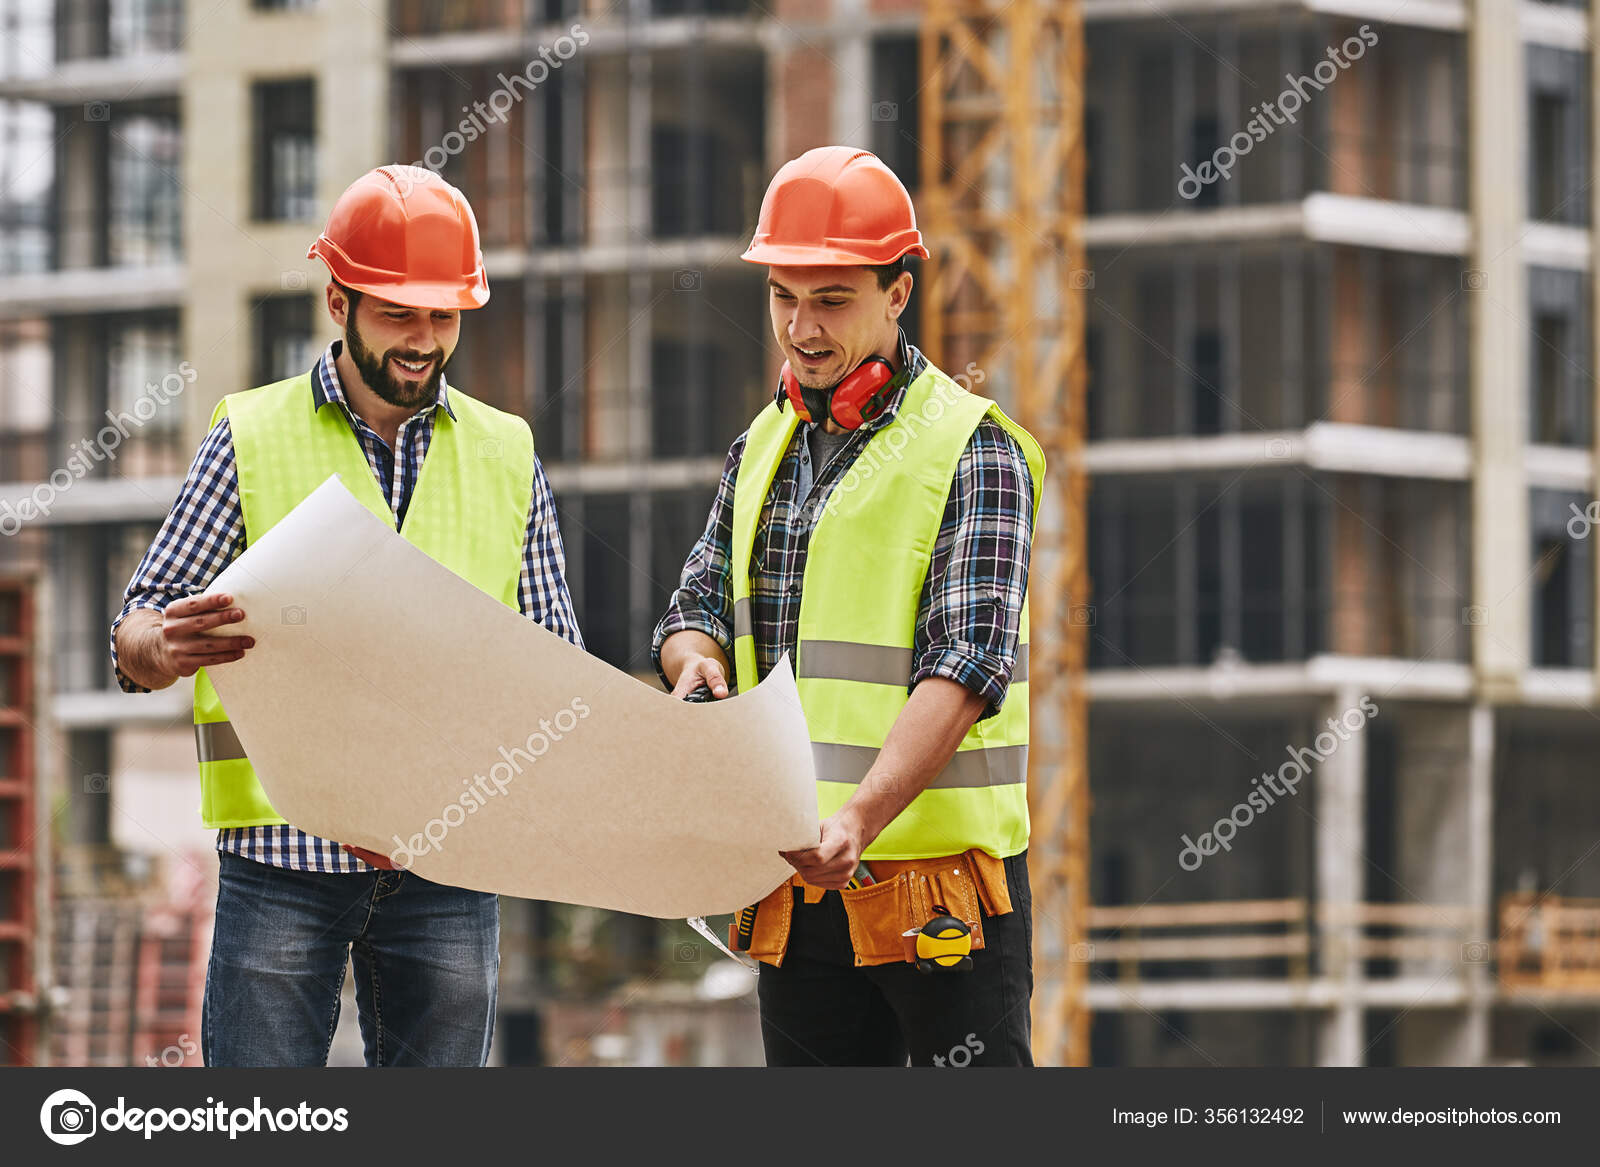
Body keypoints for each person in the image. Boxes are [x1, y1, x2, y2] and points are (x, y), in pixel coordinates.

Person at [110, 166, 581, 1067]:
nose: (423, 340)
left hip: (447, 867)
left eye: (442, 316)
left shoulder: (505, 451)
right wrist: (162, 644)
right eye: (400, 314)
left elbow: (554, 667)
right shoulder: (252, 435)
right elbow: (135, 632)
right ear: (339, 300)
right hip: (282, 862)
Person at [652, 146, 1044, 1066]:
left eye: (832, 299)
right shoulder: (762, 445)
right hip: (796, 885)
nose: (802, 327)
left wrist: (860, 818)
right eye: (785, 296)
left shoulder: (972, 449)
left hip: (941, 895)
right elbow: (694, 601)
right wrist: (694, 661)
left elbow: (967, 663)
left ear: (898, 293)